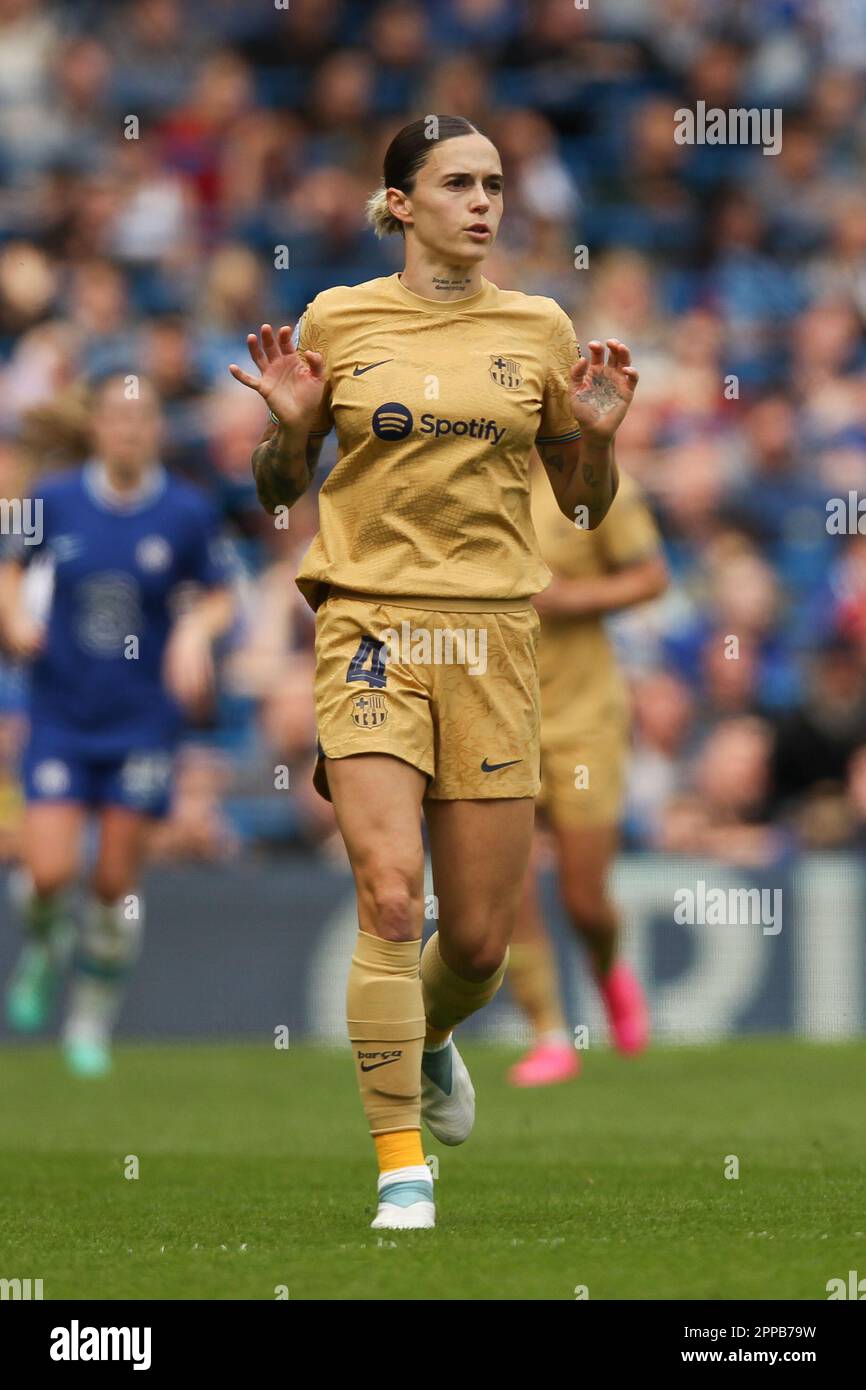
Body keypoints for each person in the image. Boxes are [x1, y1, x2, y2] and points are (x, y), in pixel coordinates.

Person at [229, 114, 639, 1229]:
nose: (482, 202)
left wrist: (595, 444)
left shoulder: (540, 327)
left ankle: (436, 1037)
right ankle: (400, 1169)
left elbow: (581, 506)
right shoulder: (338, 318)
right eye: (457, 183)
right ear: (399, 204)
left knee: (474, 943)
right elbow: (277, 485)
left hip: (494, 640)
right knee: (391, 894)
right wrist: (289, 430)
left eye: (494, 185)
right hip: (369, 626)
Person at [0, 374, 234, 1076]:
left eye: (141, 417)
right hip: (61, 710)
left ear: (157, 428)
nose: (129, 429)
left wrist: (194, 633)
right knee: (47, 874)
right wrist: (13, 616)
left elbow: (222, 593)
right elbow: (8, 570)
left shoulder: (188, 511)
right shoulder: (51, 499)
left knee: (110, 884)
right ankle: (44, 947)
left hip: (141, 723)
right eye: (117, 416)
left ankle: (90, 1024)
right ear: (96, 425)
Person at [507, 459, 668, 1086]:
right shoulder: (468, 470)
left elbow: (653, 577)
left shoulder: (590, 481)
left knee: (584, 899)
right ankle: (548, 1033)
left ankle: (607, 967)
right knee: (509, 887)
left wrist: (570, 597)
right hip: (496, 715)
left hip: (584, 718)